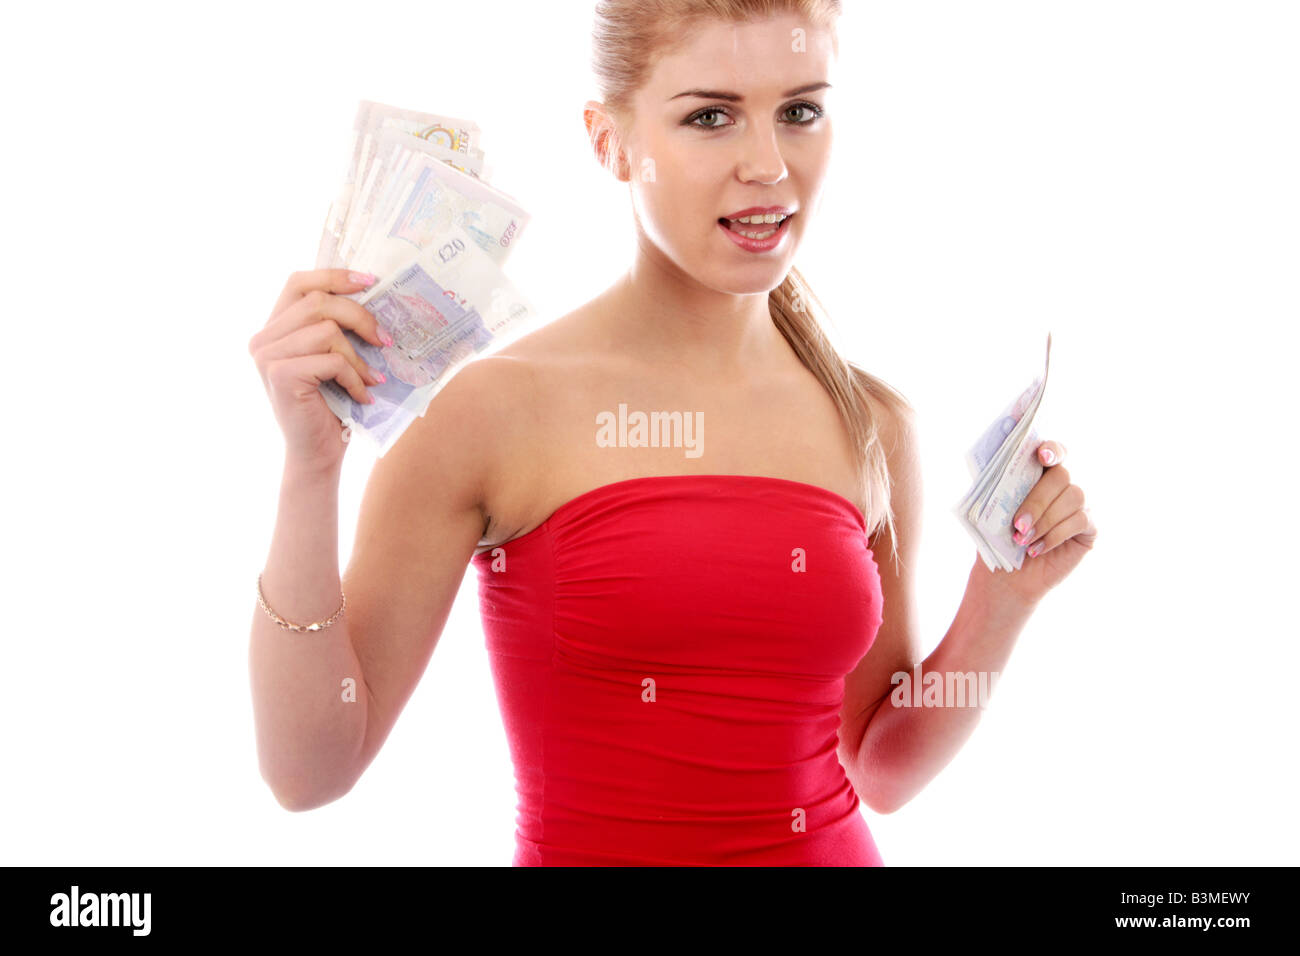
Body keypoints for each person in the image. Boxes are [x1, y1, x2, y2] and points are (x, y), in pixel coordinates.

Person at [247, 0, 1098, 866]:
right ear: (608, 139)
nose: (768, 165)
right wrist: (308, 470)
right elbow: (309, 772)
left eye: (799, 111)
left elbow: (879, 768)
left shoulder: (868, 420)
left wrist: (1004, 597)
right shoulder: (492, 412)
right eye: (710, 117)